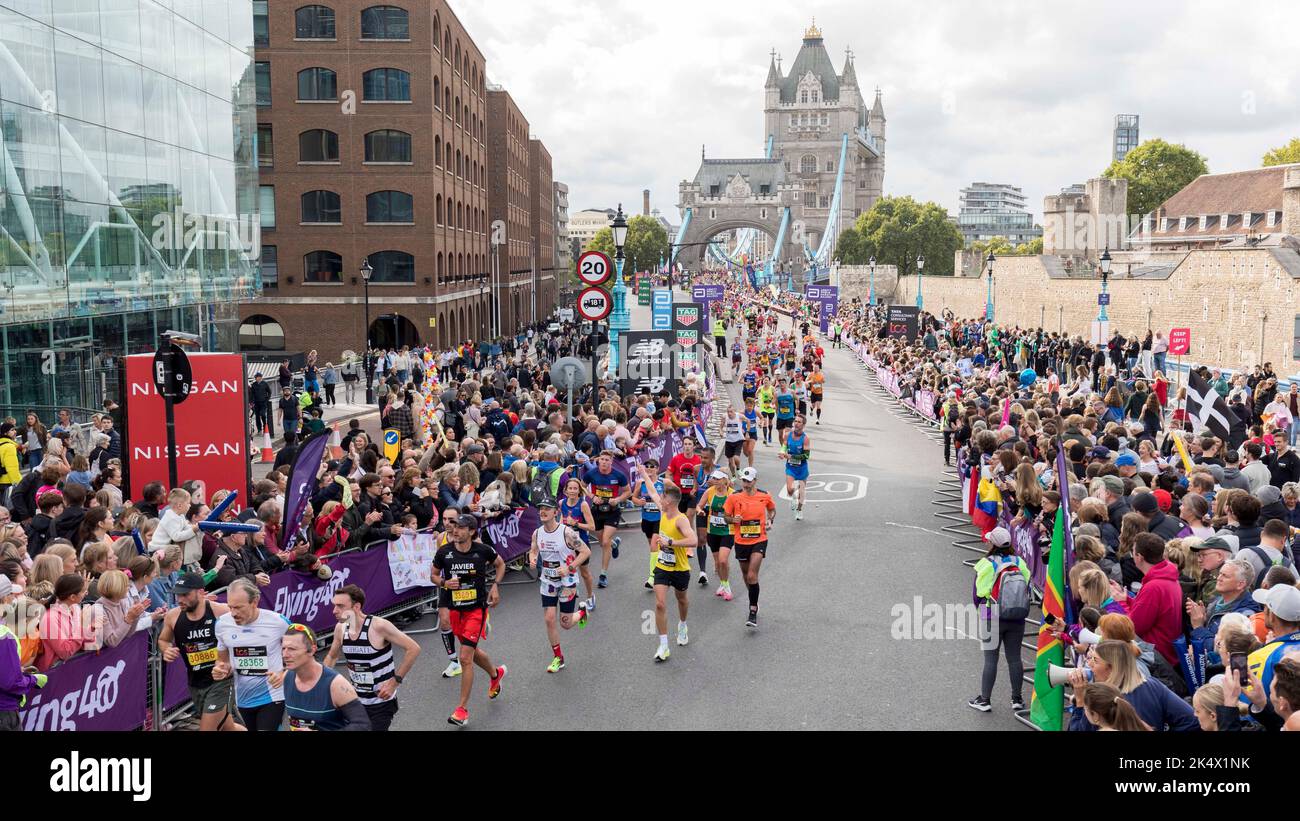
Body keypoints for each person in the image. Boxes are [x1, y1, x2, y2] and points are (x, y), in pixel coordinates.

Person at [431, 514, 506, 727]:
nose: (455, 531)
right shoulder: (444, 552)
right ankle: (495, 673)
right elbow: (433, 575)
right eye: (454, 527)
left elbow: (500, 564)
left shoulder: (482, 550)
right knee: (471, 653)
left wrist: (495, 586)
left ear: (472, 531)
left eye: (460, 528)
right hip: (456, 610)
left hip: (476, 610)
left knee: (465, 657)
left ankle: (461, 709)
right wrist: (445, 583)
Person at [323, 584, 421, 731]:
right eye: (334, 605)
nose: (334, 611)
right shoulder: (341, 628)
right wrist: (319, 683)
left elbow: (413, 648)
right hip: (354, 702)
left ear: (356, 607)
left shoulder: (378, 626)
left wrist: (395, 681)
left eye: (340, 606)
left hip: (380, 702)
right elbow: (331, 656)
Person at [158, 573, 244, 731]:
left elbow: (245, 634)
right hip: (195, 682)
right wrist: (166, 650)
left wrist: (230, 663)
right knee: (228, 727)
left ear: (200, 592)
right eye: (178, 595)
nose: (180, 599)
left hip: (221, 681)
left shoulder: (221, 612)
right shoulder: (173, 616)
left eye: (185, 594)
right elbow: (163, 640)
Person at [634, 463, 696, 662]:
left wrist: (672, 542)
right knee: (660, 604)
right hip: (662, 565)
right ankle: (663, 645)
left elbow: (693, 540)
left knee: (682, 600)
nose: (659, 499)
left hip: (679, 567)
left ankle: (683, 625)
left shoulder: (681, 519)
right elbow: (652, 490)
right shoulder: (663, 511)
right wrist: (643, 473)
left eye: (663, 498)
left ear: (670, 502)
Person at [1066, 639, 1198, 731]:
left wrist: (1080, 700)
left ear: (1112, 668)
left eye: (1095, 660)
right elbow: (1191, 720)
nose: (1089, 664)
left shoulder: (1102, 699)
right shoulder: (1152, 685)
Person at [213, 578, 291, 732]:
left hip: (273, 695)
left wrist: (284, 674)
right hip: (243, 698)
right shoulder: (222, 624)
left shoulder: (278, 622)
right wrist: (220, 670)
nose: (233, 613)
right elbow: (222, 661)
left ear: (255, 601)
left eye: (238, 607)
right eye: (230, 607)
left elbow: (302, 653)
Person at [968, 526, 1030, 713]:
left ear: (992, 544)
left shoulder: (985, 564)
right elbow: (1026, 584)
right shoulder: (1020, 562)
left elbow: (978, 594)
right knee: (1014, 658)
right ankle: (1017, 699)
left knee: (990, 659)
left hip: (992, 614)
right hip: (1017, 615)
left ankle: (985, 700)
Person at [527, 499, 590, 673]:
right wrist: (532, 558)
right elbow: (533, 550)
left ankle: (582, 612)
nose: (543, 511)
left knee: (566, 624)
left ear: (556, 512)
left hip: (567, 582)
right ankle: (558, 657)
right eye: (541, 509)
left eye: (547, 509)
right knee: (549, 618)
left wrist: (569, 567)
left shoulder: (566, 533)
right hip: (548, 581)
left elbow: (585, 552)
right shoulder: (537, 533)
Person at [278, 624, 371, 731]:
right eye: (283, 648)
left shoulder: (336, 684)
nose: (285, 654)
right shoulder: (287, 677)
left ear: (312, 650)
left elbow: (363, 725)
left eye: (292, 649)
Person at [723, 466, 777, 628]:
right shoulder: (734, 497)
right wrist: (733, 520)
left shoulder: (764, 495)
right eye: (744, 481)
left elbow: (772, 510)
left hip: (759, 540)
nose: (746, 484)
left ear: (755, 481)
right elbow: (725, 517)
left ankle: (752, 610)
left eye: (749, 481)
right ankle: (753, 595)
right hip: (741, 541)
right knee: (747, 576)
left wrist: (770, 520)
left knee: (752, 575)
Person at [0, 575, 48, 730]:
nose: (14, 600)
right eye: (12, 595)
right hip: (4, 711)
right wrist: (33, 680)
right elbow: (10, 683)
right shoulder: (5, 636)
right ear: (5, 599)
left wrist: (17, 670)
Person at [581, 450, 630, 589]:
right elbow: (582, 486)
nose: (604, 462)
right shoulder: (592, 473)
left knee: (605, 540)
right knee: (602, 541)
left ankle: (603, 575)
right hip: (596, 511)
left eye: (607, 460)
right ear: (598, 461)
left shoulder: (618, 475)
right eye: (602, 459)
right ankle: (614, 545)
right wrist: (591, 496)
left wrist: (618, 499)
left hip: (612, 511)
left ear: (611, 461)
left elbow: (628, 492)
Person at [781, 414, 812, 521]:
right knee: (790, 490)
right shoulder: (788, 435)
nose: (796, 423)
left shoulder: (805, 439)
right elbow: (784, 445)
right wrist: (782, 453)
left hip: (802, 468)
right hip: (791, 467)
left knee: (802, 493)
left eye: (799, 422)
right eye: (795, 421)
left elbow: (807, 456)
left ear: (803, 425)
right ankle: (793, 497)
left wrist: (792, 456)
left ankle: (799, 510)